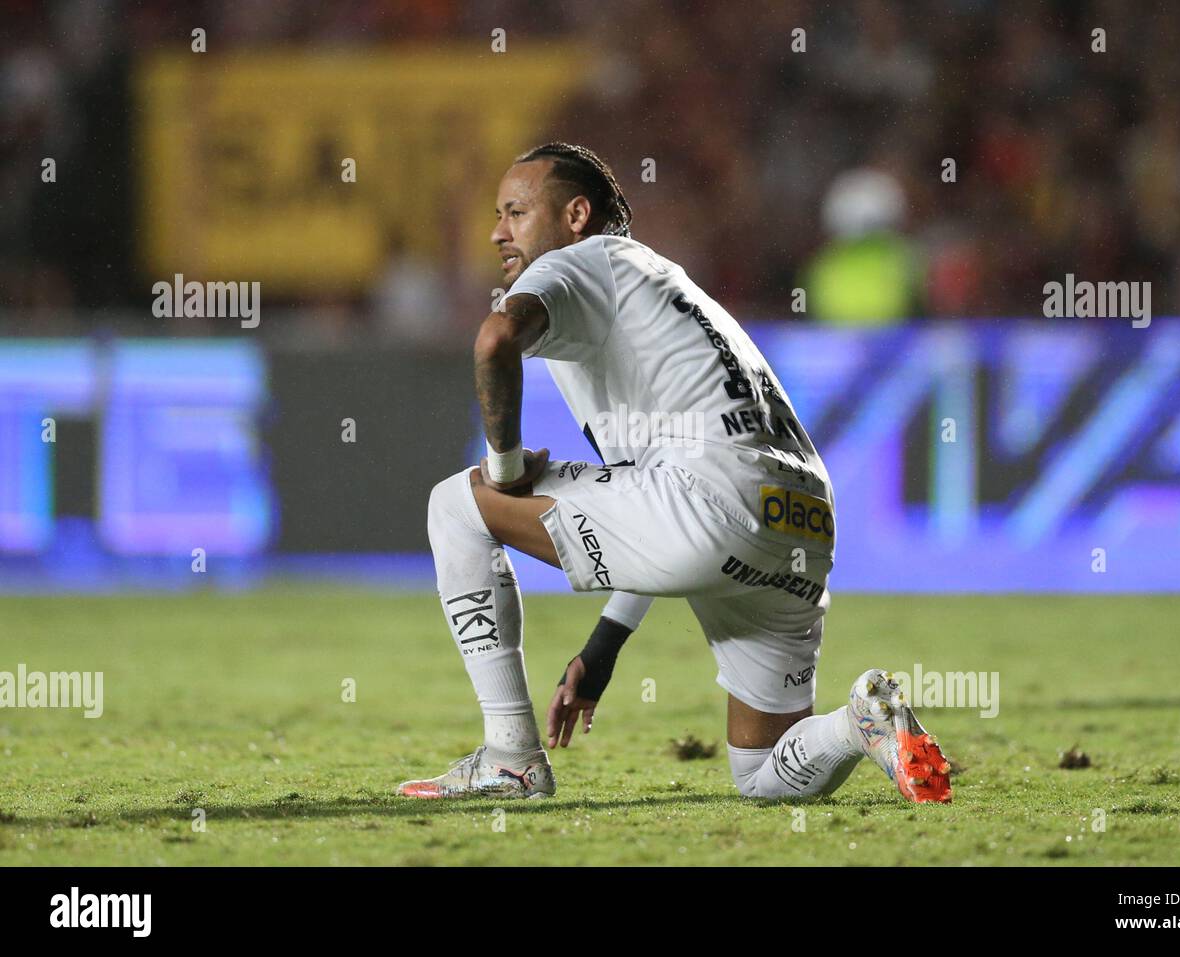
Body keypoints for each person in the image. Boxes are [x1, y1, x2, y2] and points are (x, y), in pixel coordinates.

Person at [398, 143, 951, 803]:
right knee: (764, 774)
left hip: (710, 497)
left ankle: (511, 758)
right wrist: (605, 641)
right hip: (800, 516)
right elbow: (651, 504)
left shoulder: (581, 262)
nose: (498, 231)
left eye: (516, 211)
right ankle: (862, 723)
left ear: (576, 215)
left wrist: (507, 469)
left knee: (457, 504)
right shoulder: (669, 288)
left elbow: (494, 341)